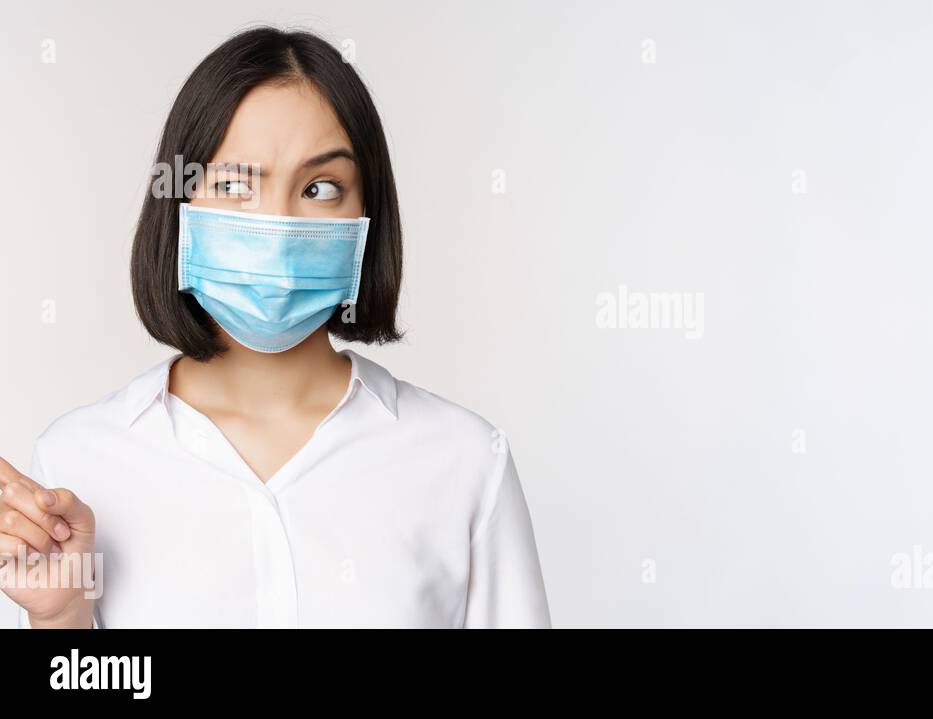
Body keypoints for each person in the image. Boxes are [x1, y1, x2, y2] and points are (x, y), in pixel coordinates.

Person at [0, 27, 550, 628]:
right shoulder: (78, 460)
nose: (280, 226)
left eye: (320, 188)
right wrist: (61, 620)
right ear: (179, 204)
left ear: (368, 216)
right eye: (236, 184)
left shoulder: (465, 461)